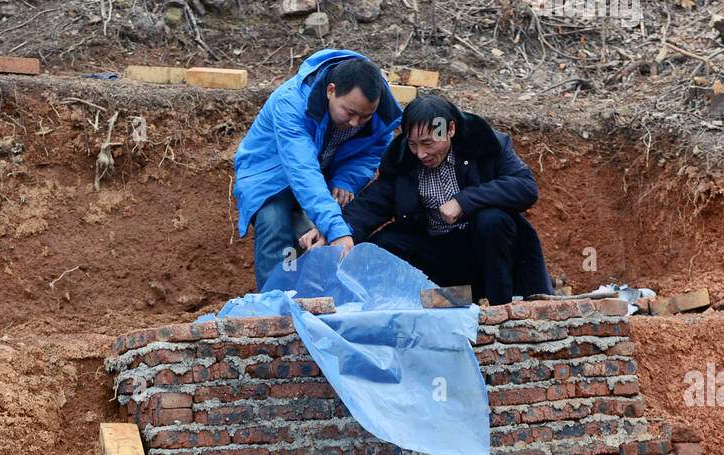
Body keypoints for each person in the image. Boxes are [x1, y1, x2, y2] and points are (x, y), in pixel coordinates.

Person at [330, 95, 552, 304]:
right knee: (385, 243)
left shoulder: (485, 145)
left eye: (428, 144)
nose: (421, 154)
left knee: (492, 220)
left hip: (488, 256)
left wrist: (464, 201)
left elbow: (525, 186)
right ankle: (436, 300)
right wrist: (337, 232)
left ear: (450, 130)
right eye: (413, 144)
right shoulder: (403, 161)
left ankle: (500, 307)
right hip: (440, 255)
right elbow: (369, 206)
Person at [233, 49, 402, 291]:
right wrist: (336, 229)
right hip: (269, 174)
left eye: (365, 116)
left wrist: (345, 180)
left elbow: (369, 153)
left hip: (321, 174)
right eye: (350, 113)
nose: (355, 123)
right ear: (330, 91)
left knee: (311, 235)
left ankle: (311, 299)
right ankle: (277, 302)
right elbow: (302, 170)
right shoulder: (291, 104)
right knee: (275, 224)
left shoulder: (382, 115)